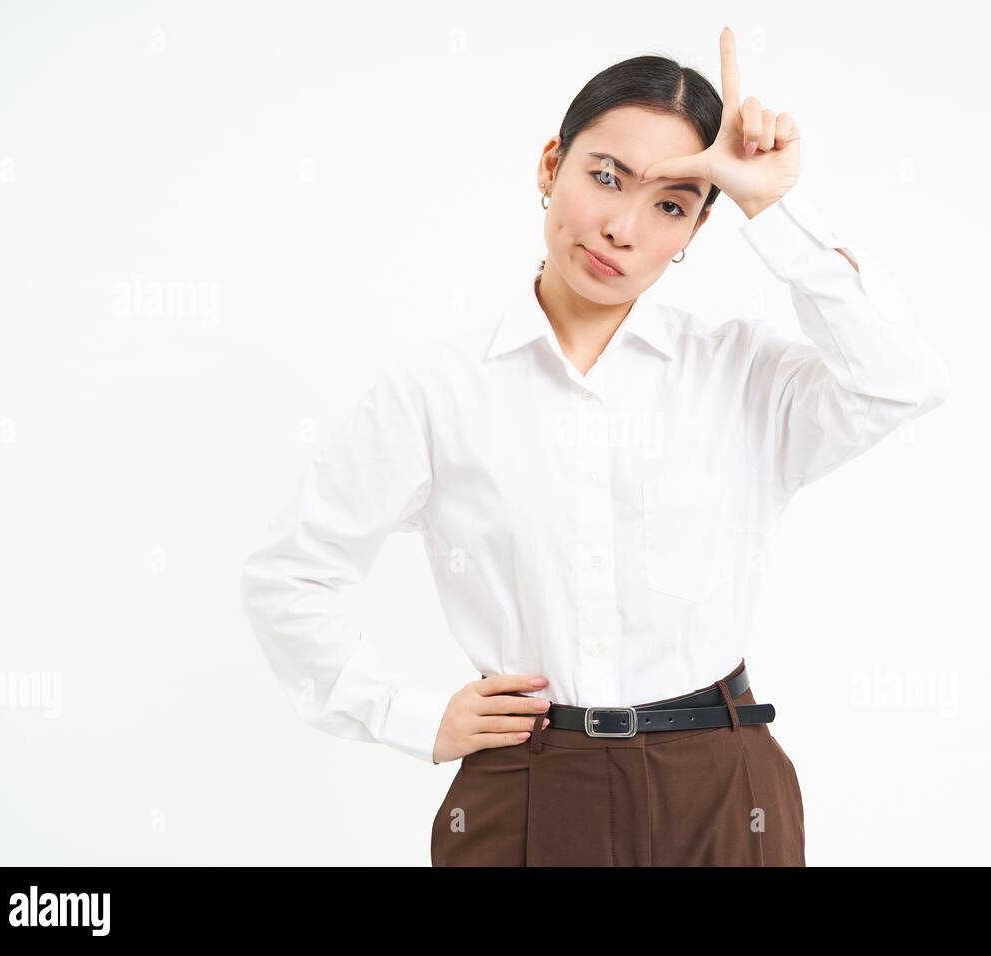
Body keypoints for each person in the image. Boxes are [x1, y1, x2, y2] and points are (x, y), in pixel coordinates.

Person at [240, 27, 950, 866]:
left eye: (671, 204)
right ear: (551, 166)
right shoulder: (438, 391)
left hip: (722, 788)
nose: (621, 227)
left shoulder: (740, 374)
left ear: (694, 231)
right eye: (605, 177)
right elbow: (289, 575)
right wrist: (410, 715)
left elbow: (898, 382)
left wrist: (772, 208)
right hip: (530, 787)